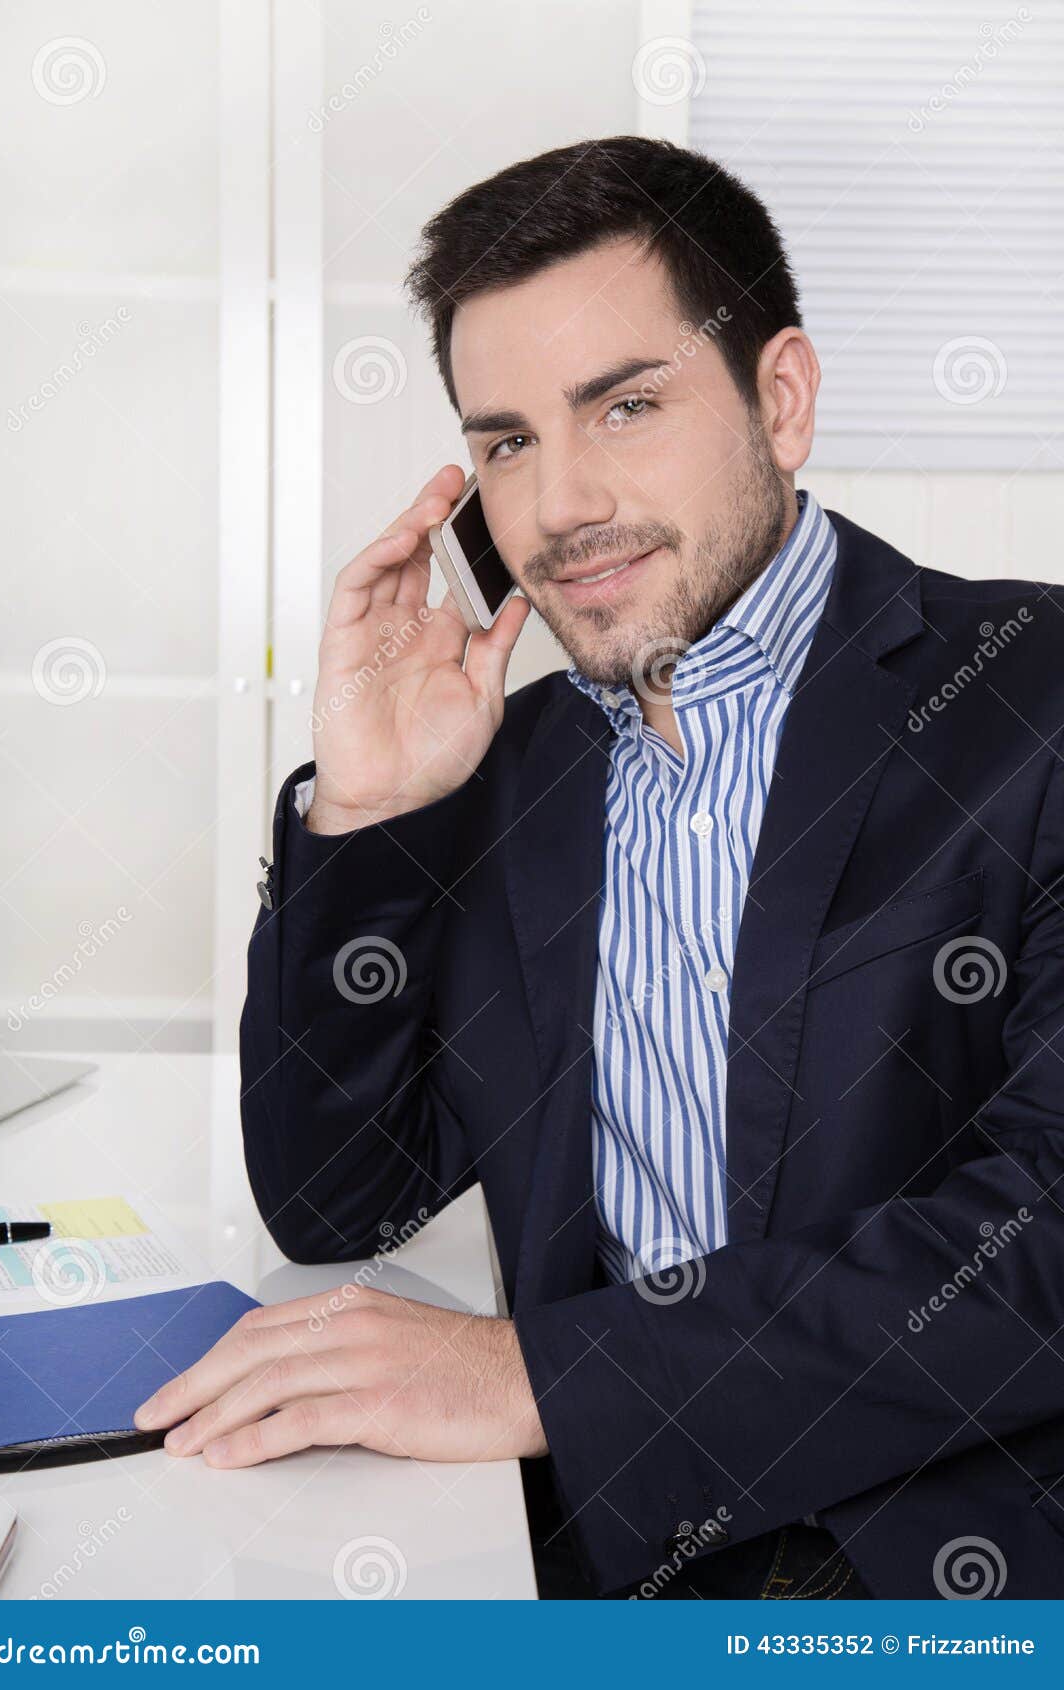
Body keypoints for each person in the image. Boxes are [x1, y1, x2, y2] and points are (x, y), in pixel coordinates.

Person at [134, 137, 1064, 1601]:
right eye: (505, 442)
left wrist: (535, 1377)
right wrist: (366, 814)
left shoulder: (1031, 699)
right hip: (583, 1548)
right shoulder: (504, 770)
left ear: (782, 397)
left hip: (940, 1556)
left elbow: (1041, 1247)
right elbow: (337, 1200)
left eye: (625, 406)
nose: (561, 505)